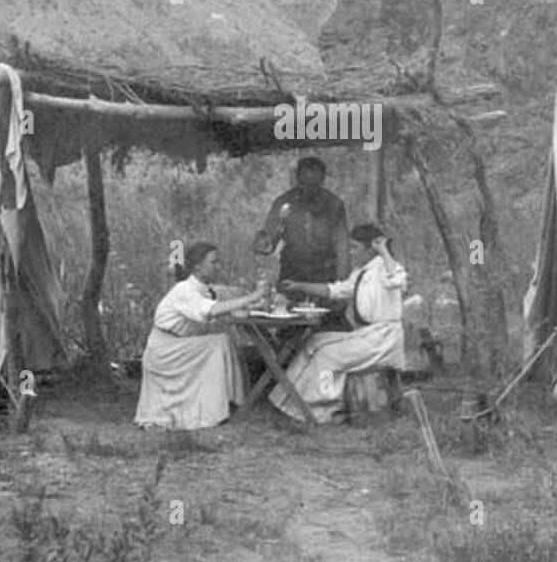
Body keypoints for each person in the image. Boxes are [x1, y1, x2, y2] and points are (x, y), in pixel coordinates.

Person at [270, 224, 407, 424]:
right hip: (368, 335)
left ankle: (325, 406)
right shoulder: (362, 271)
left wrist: (384, 249)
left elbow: (397, 280)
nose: (351, 253)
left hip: (382, 339)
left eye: (355, 248)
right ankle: (290, 400)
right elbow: (337, 290)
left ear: (371, 249)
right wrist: (300, 285)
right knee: (314, 341)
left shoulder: (386, 268)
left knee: (326, 355)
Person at [134, 242, 268, 430]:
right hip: (164, 352)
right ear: (198, 266)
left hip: (180, 346)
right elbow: (209, 310)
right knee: (219, 342)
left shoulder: (203, 289)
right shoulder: (184, 290)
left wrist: (248, 306)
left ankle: (233, 401)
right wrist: (251, 297)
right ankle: (220, 407)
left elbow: (215, 307)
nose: (218, 266)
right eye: (214, 262)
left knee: (223, 341)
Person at [252, 156, 350, 292]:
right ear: (298, 180)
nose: (308, 191)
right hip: (293, 272)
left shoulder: (334, 205)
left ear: (322, 180)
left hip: (324, 274)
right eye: (304, 185)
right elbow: (268, 242)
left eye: (314, 186)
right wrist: (262, 243)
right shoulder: (284, 203)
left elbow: (343, 247)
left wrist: (342, 284)